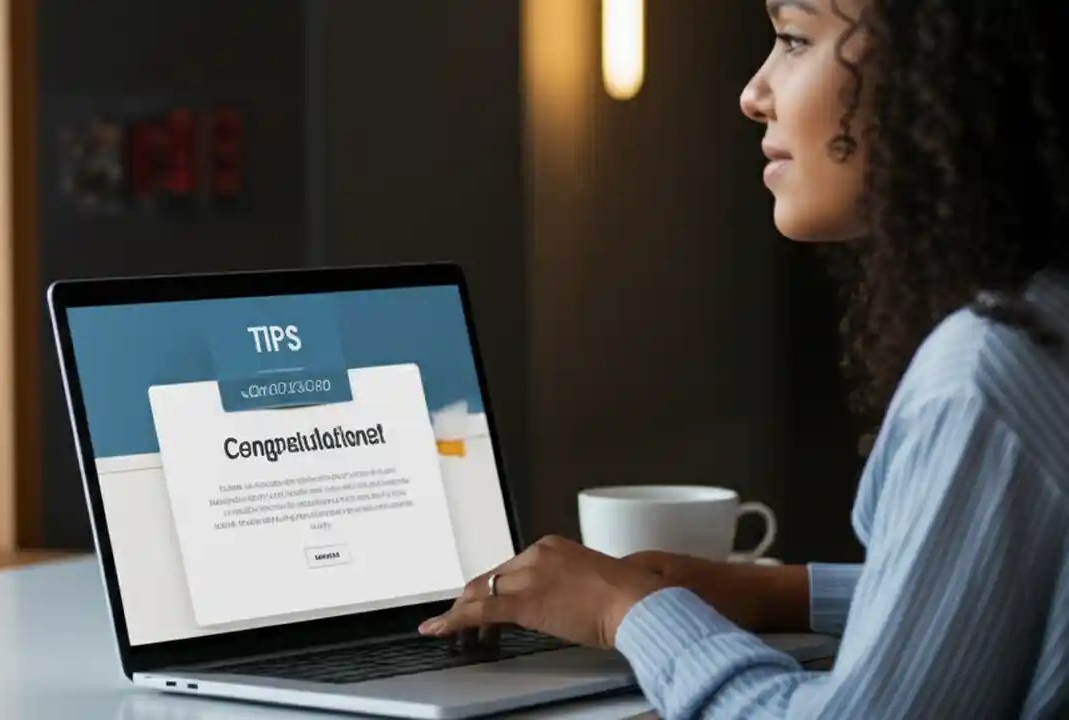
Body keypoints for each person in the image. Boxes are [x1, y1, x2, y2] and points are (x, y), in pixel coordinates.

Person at [419, 0, 1069, 717]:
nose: (753, 93)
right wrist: (773, 591)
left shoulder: (982, 374)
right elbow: (998, 605)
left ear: (940, 75)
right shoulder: (1046, 316)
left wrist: (628, 610)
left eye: (793, 39)